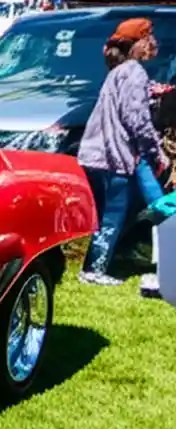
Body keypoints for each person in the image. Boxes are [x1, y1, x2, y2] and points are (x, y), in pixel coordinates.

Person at [77, 18, 169, 285]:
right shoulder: (135, 72)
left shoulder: (118, 72)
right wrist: (155, 153)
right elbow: (136, 120)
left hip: (93, 154)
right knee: (113, 216)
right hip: (114, 157)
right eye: (148, 37)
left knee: (106, 214)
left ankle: (94, 266)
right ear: (140, 43)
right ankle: (94, 270)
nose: (153, 42)